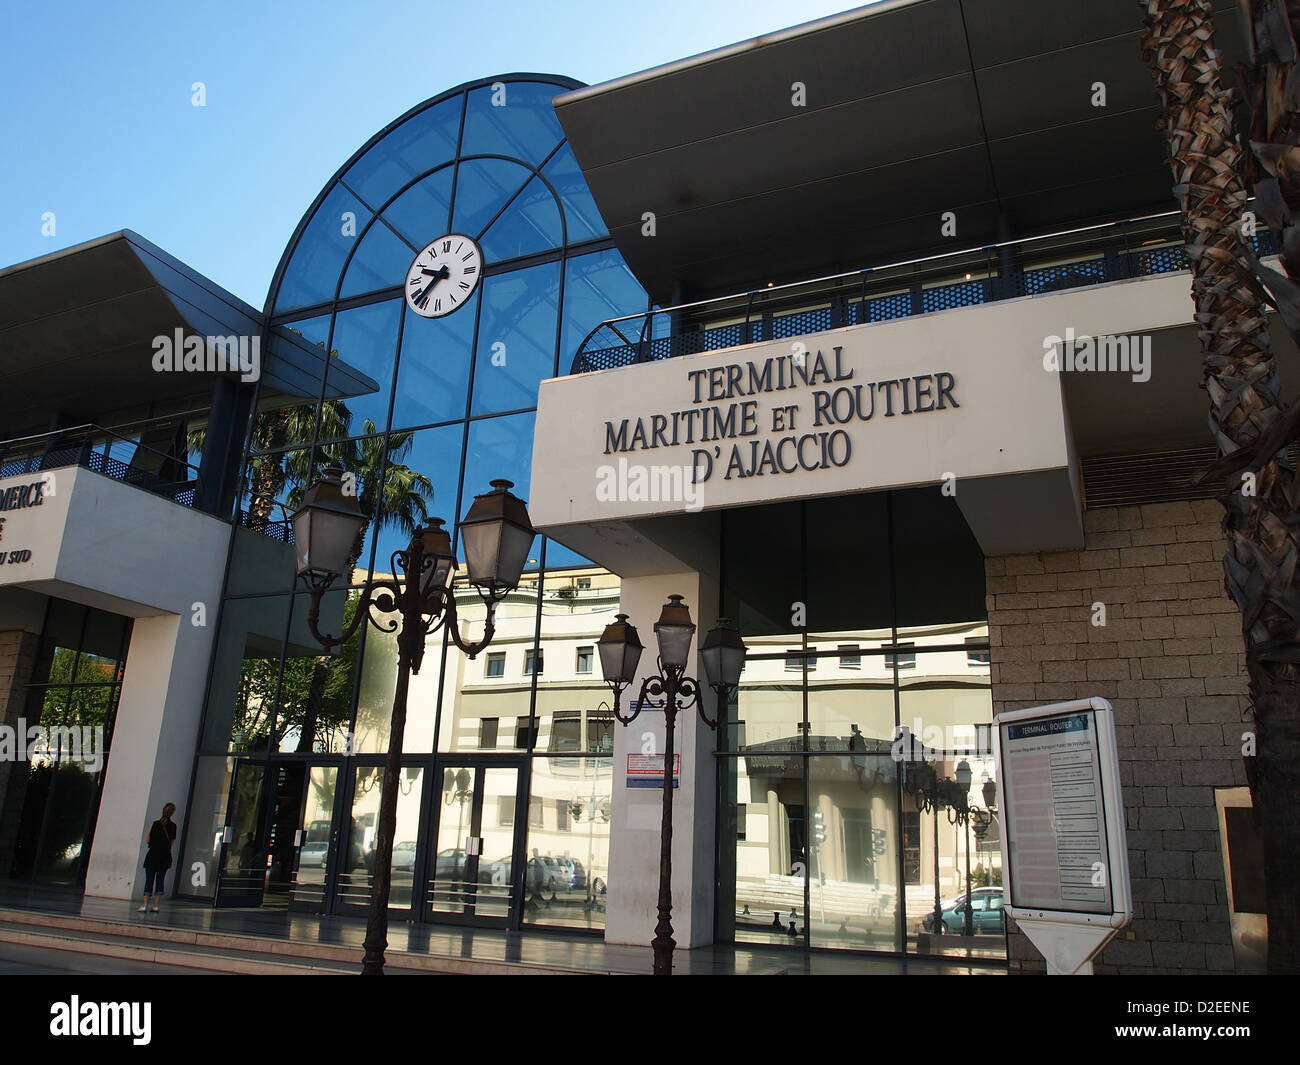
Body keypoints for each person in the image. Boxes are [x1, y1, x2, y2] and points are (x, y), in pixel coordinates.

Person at [140, 802, 177, 913]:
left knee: (149, 880)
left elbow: (147, 839)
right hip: (164, 857)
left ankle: (145, 905)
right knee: (160, 880)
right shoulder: (173, 826)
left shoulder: (155, 824)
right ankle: (156, 906)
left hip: (152, 855)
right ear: (172, 813)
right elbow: (171, 843)